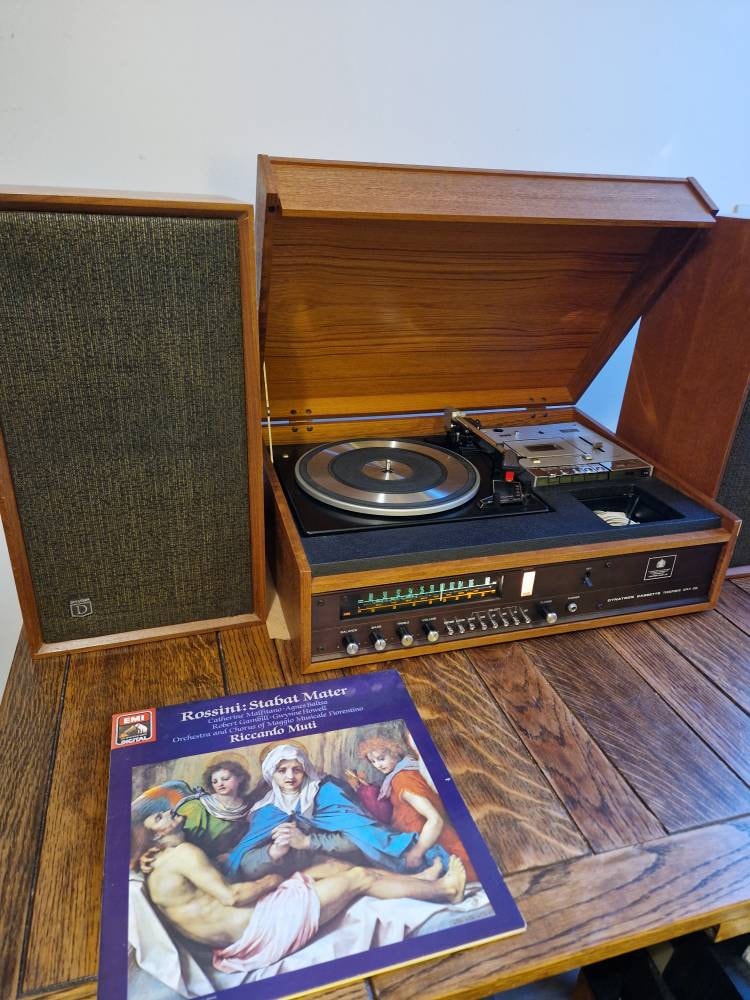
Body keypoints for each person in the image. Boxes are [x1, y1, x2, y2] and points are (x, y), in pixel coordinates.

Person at [134, 798, 466, 974]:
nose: (168, 814)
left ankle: (416, 882)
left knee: (329, 865)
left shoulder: (166, 863)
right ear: (154, 835)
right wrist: (272, 880)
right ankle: (446, 892)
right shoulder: (183, 854)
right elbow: (232, 896)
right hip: (258, 929)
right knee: (360, 878)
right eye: (158, 818)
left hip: (243, 929)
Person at [224, 742, 450, 882]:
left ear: (306, 770)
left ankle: (420, 878)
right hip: (294, 871)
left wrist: (308, 842)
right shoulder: (265, 811)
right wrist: (273, 852)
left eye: (297, 770)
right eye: (282, 771)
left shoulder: (328, 792)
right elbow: (245, 864)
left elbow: (362, 837)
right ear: (271, 775)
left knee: (356, 874)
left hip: (341, 860)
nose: (290, 777)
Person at [358, 735, 477, 880]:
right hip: (428, 847)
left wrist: (417, 852)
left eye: (381, 758)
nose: (378, 765)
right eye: (373, 762)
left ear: (395, 752)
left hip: (439, 848)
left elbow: (435, 820)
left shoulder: (403, 779)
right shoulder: (401, 775)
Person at [172, 758, 253, 857]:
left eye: (225, 779)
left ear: (240, 778)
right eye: (215, 781)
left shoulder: (247, 808)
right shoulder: (196, 806)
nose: (220, 784)